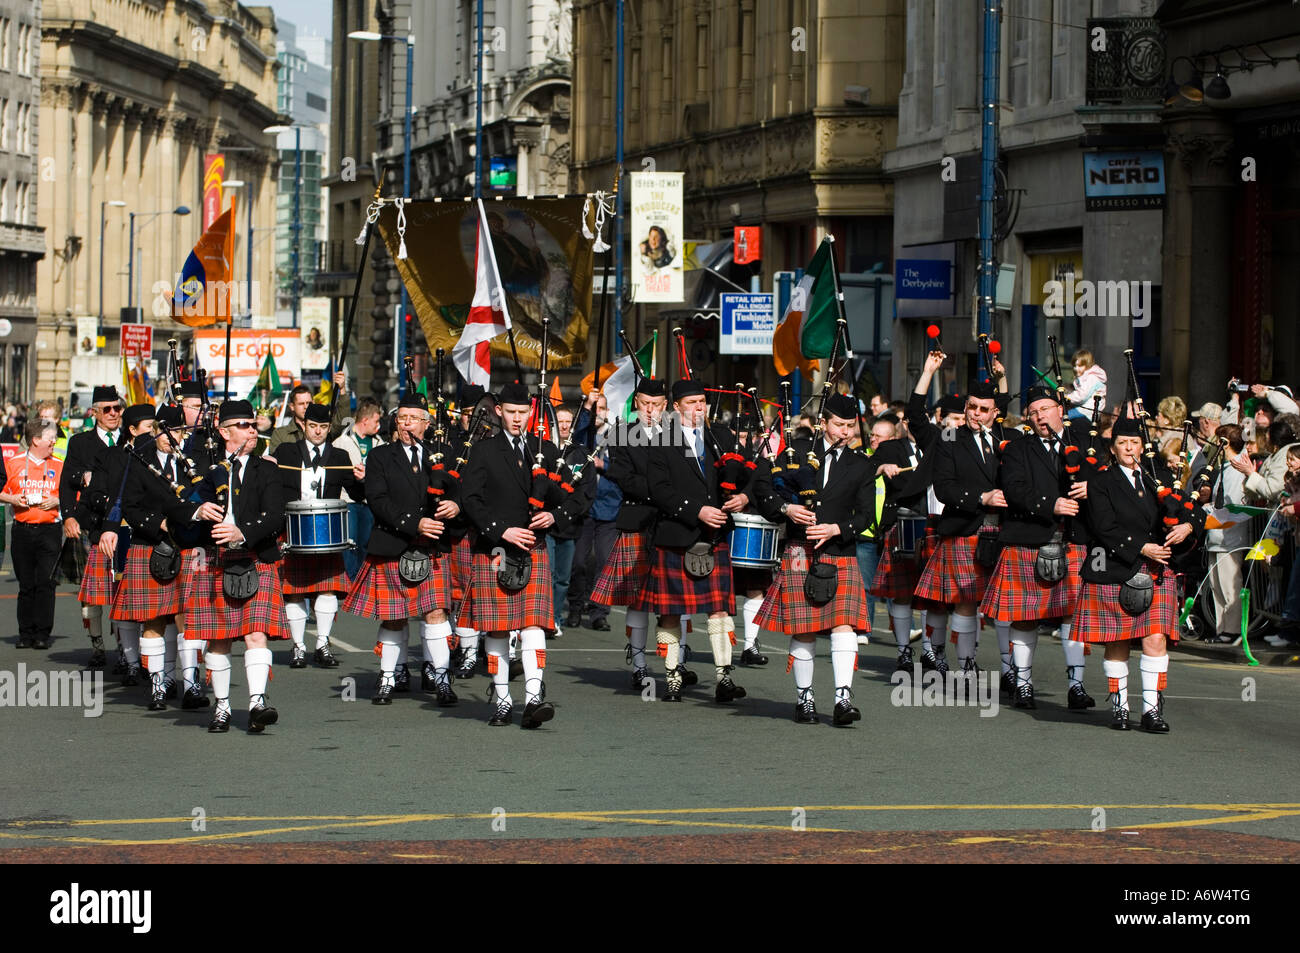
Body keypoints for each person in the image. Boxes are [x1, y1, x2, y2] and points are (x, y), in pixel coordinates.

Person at [1074, 414, 1199, 733]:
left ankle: (1152, 710)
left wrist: (1188, 525)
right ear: (1112, 449)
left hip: (1157, 569)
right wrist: (1142, 547)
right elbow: (1103, 526)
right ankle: (1119, 707)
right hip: (1117, 565)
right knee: (1117, 642)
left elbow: (1192, 509)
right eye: (1122, 443)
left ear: (1143, 447)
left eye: (1134, 443)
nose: (1129, 449)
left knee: (1155, 639)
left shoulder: (1157, 476)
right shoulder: (1102, 480)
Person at [755, 393, 873, 725]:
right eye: (839, 425)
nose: (846, 432)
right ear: (823, 423)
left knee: (844, 625)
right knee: (804, 628)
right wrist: (786, 508)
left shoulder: (861, 464)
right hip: (799, 551)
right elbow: (763, 491)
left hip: (840, 552)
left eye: (851, 426)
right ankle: (804, 699)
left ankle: (842, 699)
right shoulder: (794, 454)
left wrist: (838, 527)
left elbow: (866, 516)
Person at [460, 381, 570, 728]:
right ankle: (503, 697)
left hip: (533, 547)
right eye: (511, 412)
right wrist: (500, 530)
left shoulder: (545, 450)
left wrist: (555, 514)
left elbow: (573, 493)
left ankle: (534, 698)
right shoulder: (484, 450)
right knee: (495, 629)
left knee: (535, 624)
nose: (518, 419)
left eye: (523, 412)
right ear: (499, 412)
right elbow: (469, 499)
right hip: (495, 548)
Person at [980, 385, 1095, 710]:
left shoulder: (1085, 443)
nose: (1040, 415)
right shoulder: (1018, 449)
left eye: (1045, 408)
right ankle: (1024, 684)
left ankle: (1076, 685)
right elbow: (1013, 489)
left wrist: (1093, 487)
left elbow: (1106, 481)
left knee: (1072, 616)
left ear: (1061, 409)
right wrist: (1051, 504)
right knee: (1024, 617)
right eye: (1033, 412)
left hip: (1073, 538)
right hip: (1029, 537)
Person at [342, 394, 461, 706]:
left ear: (426, 423)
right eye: (402, 418)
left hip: (431, 546)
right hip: (394, 543)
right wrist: (415, 523)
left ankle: (442, 678)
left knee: (436, 613)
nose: (407, 423)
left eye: (414, 418)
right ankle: (387, 678)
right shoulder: (381, 456)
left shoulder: (444, 454)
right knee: (394, 617)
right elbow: (377, 500)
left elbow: (462, 490)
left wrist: (455, 504)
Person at [179, 399, 289, 733]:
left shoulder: (267, 468)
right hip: (214, 560)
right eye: (243, 425)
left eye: (253, 424)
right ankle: (222, 707)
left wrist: (243, 531)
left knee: (256, 634)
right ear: (224, 431)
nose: (252, 430)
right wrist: (198, 511)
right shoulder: (203, 470)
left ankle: (257, 702)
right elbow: (182, 509)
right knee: (218, 638)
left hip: (256, 556)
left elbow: (275, 515)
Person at [636, 378, 745, 704]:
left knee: (720, 610)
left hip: (714, 538)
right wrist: (697, 511)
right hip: (677, 534)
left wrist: (743, 496)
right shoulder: (661, 441)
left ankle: (724, 677)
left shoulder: (719, 437)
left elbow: (754, 471)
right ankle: (672, 676)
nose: (699, 408)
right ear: (676, 407)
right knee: (670, 613)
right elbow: (659, 489)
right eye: (692, 402)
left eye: (702, 402)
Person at [913, 380, 1007, 675]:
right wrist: (982, 497)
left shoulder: (1008, 439)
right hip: (964, 527)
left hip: (1000, 532)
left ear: (995, 413)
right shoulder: (949, 438)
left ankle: (1006, 669)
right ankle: (960, 663)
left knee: (991, 604)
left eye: (984, 409)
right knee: (958, 601)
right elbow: (944, 488)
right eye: (972, 407)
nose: (976, 414)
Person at [592, 378, 672, 687]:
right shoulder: (622, 434)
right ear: (635, 403)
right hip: (637, 519)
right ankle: (639, 664)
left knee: (671, 600)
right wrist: (663, 490)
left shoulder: (675, 434)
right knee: (638, 599)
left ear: (665, 406)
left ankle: (672, 663)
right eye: (645, 404)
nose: (650, 410)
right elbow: (624, 477)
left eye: (656, 405)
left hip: (669, 522)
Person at [274, 403, 365, 670]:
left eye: (323, 427)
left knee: (326, 588)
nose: (318, 432)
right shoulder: (286, 452)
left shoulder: (339, 456)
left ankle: (322, 643)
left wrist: (362, 480)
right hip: (293, 528)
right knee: (294, 593)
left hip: (328, 532)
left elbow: (357, 496)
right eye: (313, 426)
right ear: (303, 425)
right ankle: (298, 646)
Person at [58, 385, 123, 668]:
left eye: (117, 408)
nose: (113, 414)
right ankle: (97, 644)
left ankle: (125, 649)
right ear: (94, 412)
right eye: (107, 409)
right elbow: (65, 482)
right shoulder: (80, 442)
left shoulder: (129, 441)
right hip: (88, 523)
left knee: (124, 589)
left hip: (123, 525)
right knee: (92, 592)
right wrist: (69, 517)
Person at [1, 419, 63, 650]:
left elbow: (70, 495)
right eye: (50, 438)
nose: (54, 442)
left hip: (50, 530)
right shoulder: (14, 463)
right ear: (36, 440)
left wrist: (57, 500)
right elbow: (2, 491)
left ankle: (42, 634)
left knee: (46, 583)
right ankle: (25, 633)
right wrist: (13, 499)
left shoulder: (59, 464)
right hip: (22, 530)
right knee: (26, 585)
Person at [567, 390, 619, 632]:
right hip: (584, 509)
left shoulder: (619, 436)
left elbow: (625, 467)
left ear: (608, 412)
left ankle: (599, 612)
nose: (599, 412)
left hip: (609, 510)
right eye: (595, 408)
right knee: (578, 562)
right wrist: (588, 405)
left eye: (602, 408)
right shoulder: (585, 435)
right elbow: (576, 437)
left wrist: (604, 465)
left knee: (604, 562)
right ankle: (576, 606)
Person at [1202, 425, 1250, 644]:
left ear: (1225, 443)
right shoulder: (1224, 468)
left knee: (1230, 586)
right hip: (1216, 536)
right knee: (1216, 586)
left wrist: (1205, 511)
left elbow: (1233, 506)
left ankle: (1233, 630)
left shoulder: (1238, 468)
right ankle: (1222, 630)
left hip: (1230, 537)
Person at [334, 397, 385, 577]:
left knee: (365, 542)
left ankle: (362, 582)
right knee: (350, 542)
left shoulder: (379, 442)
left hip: (369, 500)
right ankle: (350, 581)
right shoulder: (342, 441)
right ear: (365, 420)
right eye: (376, 421)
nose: (378, 425)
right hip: (348, 500)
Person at [266, 374, 350, 455]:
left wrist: (342, 389)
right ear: (292, 406)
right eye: (301, 404)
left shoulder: (323, 430)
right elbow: (275, 462)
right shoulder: (280, 434)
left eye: (308, 403)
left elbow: (343, 420)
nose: (306, 407)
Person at [1064, 349, 1107, 421]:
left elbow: (1082, 395)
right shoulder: (1085, 377)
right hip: (1087, 408)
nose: (1076, 369)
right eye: (1075, 366)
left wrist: (1066, 397)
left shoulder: (1090, 378)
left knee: (1065, 417)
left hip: (1090, 408)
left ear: (1088, 365)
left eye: (1080, 366)